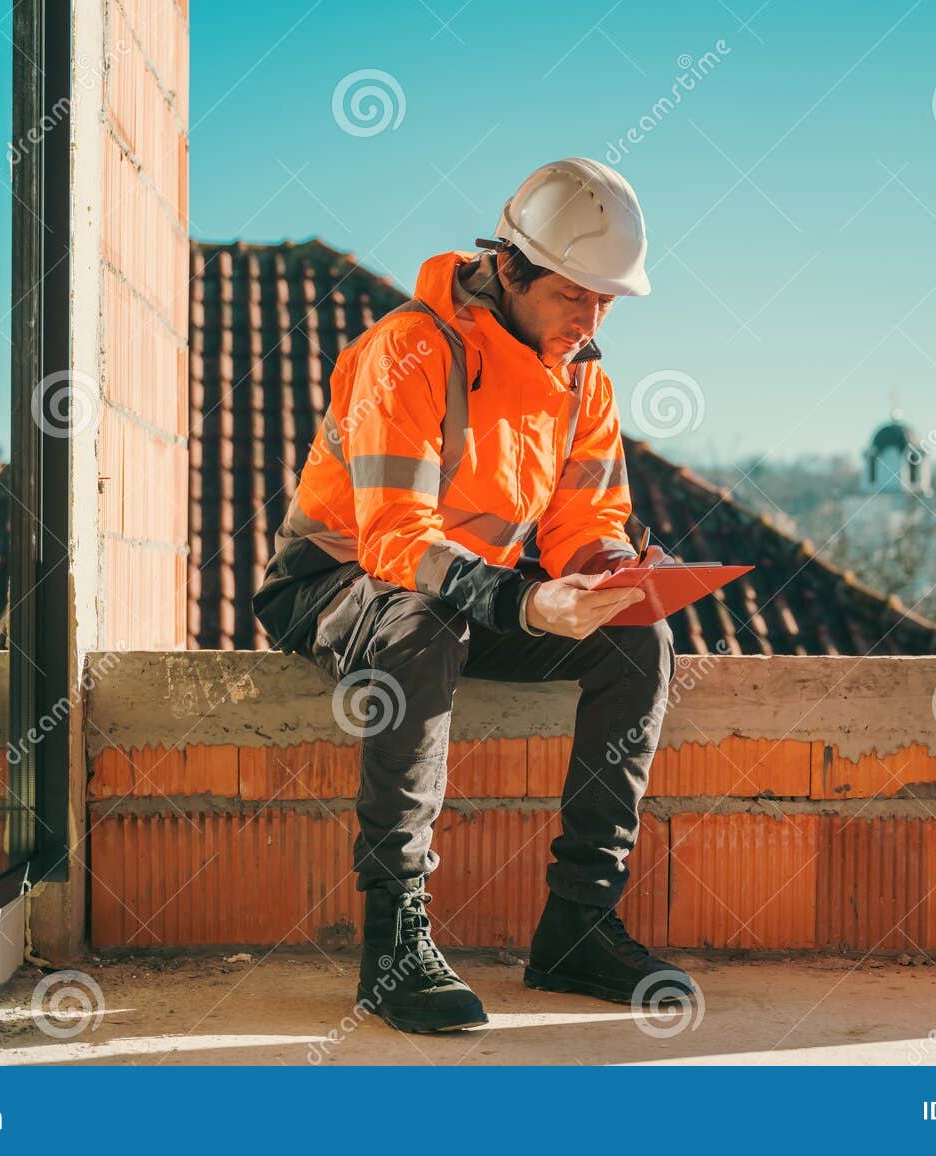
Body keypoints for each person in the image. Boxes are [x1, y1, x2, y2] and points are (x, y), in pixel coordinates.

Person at [252, 157, 694, 1033]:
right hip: (337, 583)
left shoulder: (583, 381)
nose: (592, 319)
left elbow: (586, 514)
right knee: (424, 623)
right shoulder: (409, 352)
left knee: (638, 639)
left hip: (470, 594)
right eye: (577, 295)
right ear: (515, 268)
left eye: (607, 301)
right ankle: (392, 941)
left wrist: (606, 572)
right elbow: (395, 541)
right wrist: (529, 606)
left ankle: (578, 923)